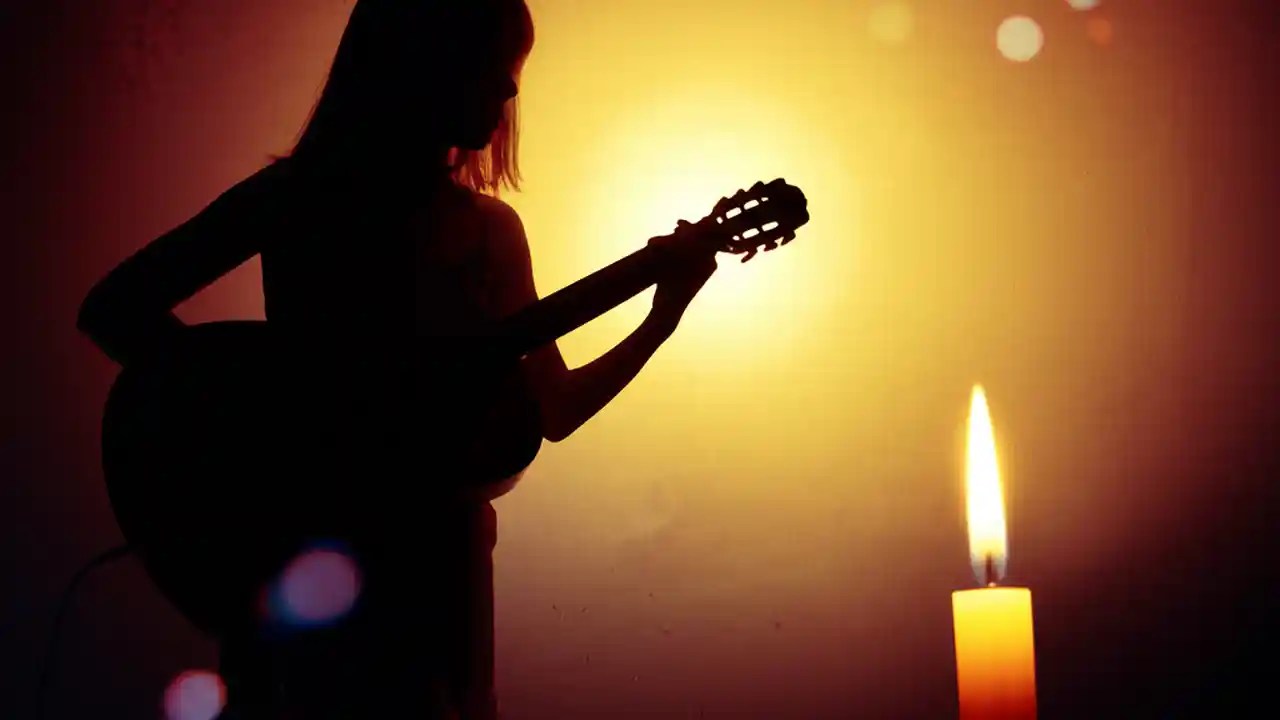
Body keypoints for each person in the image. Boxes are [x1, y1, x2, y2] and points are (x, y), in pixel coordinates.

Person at [75, 1, 718, 718]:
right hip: (303, 560)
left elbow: (555, 409)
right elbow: (113, 307)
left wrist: (662, 315)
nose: (509, 93)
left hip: (438, 579)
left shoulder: (489, 232)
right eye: (494, 69)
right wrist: (260, 404)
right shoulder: (296, 199)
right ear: (421, 68)